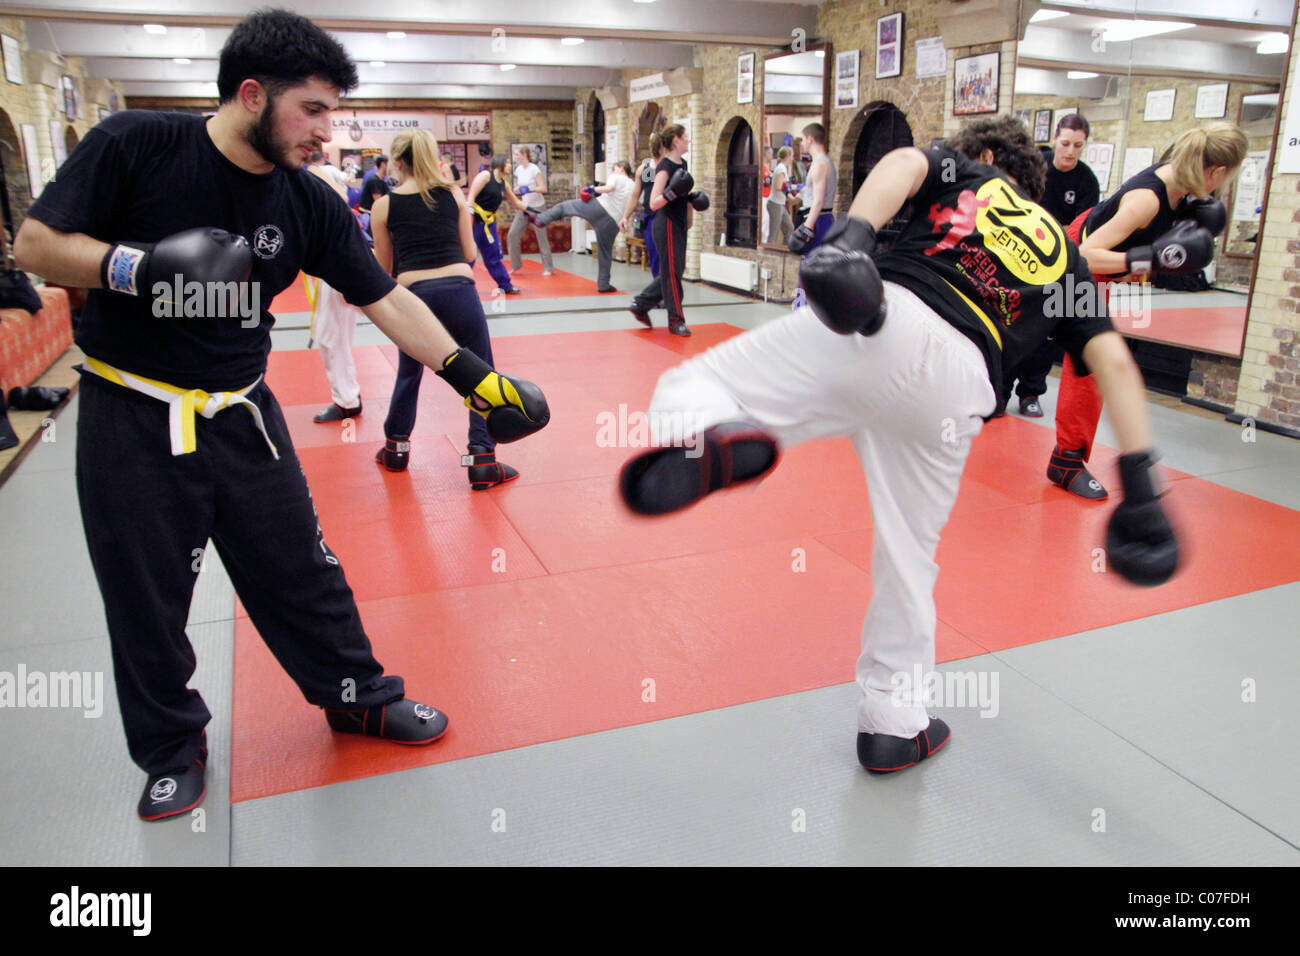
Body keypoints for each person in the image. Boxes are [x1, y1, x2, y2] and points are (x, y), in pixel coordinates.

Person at [12, 8, 549, 821]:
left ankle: (357, 696)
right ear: (253, 95)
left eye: (332, 112)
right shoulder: (137, 145)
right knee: (145, 596)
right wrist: (139, 266)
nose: (326, 134)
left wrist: (477, 379)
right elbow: (35, 245)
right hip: (132, 414)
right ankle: (170, 749)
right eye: (314, 110)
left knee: (302, 568)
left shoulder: (305, 201)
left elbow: (384, 295)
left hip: (243, 415)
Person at [617, 116, 1181, 773]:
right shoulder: (1064, 252)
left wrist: (849, 239)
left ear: (987, 155)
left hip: (884, 318)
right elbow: (1112, 359)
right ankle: (892, 725)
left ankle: (716, 433)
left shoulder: (968, 173)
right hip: (960, 388)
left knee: (699, 380)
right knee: (909, 557)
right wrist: (1142, 486)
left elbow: (907, 164)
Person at [1041, 121, 1246, 499]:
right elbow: (1084, 255)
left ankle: (1071, 457)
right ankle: (1066, 461)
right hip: (1070, 262)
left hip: (1097, 268)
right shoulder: (1148, 199)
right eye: (1225, 179)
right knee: (1090, 359)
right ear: (1216, 171)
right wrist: (1148, 260)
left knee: (1091, 354)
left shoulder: (1183, 189)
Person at [370, 129, 521, 489]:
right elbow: (470, 254)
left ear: (397, 161)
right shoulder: (453, 195)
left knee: (409, 372)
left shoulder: (384, 206)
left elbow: (383, 270)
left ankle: (396, 448)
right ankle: (482, 459)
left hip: (413, 297)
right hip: (459, 292)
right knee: (480, 373)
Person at [1001, 114, 1100, 418]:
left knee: (1046, 332)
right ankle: (998, 389)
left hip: (1059, 262)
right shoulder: (1036, 166)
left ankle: (1031, 393)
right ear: (1055, 138)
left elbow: (1082, 228)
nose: (1070, 151)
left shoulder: (1086, 181)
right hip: (1020, 257)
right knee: (1010, 323)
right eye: (1066, 143)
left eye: (1078, 145)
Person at [628, 124, 708, 336]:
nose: (688, 141)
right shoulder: (664, 166)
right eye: (685, 138)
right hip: (666, 223)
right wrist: (672, 193)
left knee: (673, 271)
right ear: (675, 140)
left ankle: (641, 304)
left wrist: (691, 198)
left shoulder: (684, 163)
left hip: (679, 221)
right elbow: (654, 202)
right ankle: (675, 320)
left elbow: (679, 192)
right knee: (672, 274)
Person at [305, 149, 366, 422]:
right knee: (331, 332)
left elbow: (342, 197)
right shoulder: (312, 173)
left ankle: (348, 400)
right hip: (330, 259)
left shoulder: (311, 173)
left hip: (335, 260)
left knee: (331, 334)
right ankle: (347, 396)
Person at [527, 159, 636, 293]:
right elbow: (633, 204)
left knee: (565, 206)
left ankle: (541, 219)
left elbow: (609, 188)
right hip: (613, 222)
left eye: (614, 169)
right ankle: (603, 284)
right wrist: (624, 219)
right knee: (605, 253)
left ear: (621, 168)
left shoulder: (616, 176)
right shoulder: (634, 186)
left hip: (600, 209)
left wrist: (591, 189)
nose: (612, 172)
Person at [467, 154, 529, 295]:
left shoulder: (504, 184)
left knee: (494, 256)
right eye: (508, 163)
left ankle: (505, 285)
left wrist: (534, 211)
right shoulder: (485, 176)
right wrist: (469, 216)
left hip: (489, 224)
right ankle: (459, 287)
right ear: (500, 163)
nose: (510, 166)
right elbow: (471, 196)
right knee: (469, 256)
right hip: (474, 222)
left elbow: (517, 203)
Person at [787, 123, 836, 255]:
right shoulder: (822, 162)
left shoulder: (820, 164)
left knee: (813, 267)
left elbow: (818, 201)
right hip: (819, 219)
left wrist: (806, 227)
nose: (802, 143)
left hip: (818, 220)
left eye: (803, 139)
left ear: (810, 139)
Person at [621, 133, 663, 279]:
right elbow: (634, 195)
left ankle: (667, 293)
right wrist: (625, 216)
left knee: (666, 257)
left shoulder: (670, 167)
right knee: (654, 255)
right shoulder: (643, 169)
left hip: (667, 217)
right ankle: (659, 293)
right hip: (651, 217)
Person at [507, 146, 553, 276]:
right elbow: (520, 186)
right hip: (524, 207)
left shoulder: (534, 169)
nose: (516, 157)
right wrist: (516, 190)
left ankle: (548, 268)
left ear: (525, 154)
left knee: (541, 237)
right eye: (515, 155)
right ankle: (516, 266)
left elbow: (543, 188)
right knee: (512, 234)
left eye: (517, 155)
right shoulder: (519, 170)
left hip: (537, 207)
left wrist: (530, 188)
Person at [766, 146, 795, 245]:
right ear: (787, 156)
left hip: (780, 204)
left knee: (789, 228)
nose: (792, 159)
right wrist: (788, 192)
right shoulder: (781, 168)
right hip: (775, 204)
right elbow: (779, 186)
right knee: (773, 234)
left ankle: (784, 251)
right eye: (792, 156)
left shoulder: (783, 168)